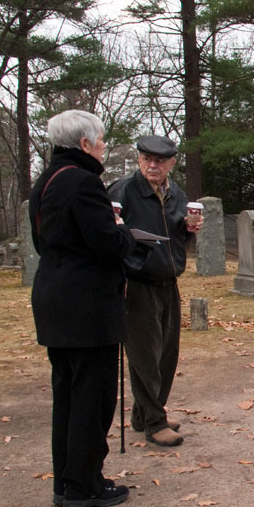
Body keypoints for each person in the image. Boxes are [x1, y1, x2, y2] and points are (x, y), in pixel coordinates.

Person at [30, 110, 135, 507]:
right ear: (86, 144)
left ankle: (67, 479)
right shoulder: (84, 182)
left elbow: (46, 243)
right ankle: (84, 485)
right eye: (102, 140)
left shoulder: (46, 182)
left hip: (54, 297)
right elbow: (108, 243)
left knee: (69, 396)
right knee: (92, 395)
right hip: (87, 306)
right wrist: (122, 229)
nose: (105, 146)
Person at [108, 136, 201, 447]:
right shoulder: (123, 192)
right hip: (137, 284)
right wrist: (129, 268)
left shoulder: (176, 194)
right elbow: (108, 237)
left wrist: (188, 230)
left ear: (171, 163)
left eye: (160, 161)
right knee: (144, 356)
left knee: (166, 356)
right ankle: (155, 423)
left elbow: (175, 238)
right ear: (138, 159)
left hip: (169, 281)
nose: (153, 164)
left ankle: (145, 413)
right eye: (147, 158)